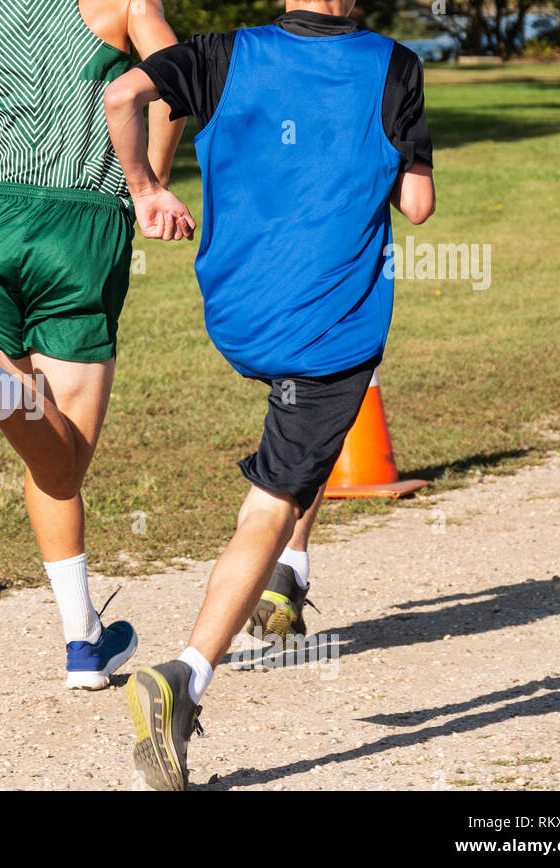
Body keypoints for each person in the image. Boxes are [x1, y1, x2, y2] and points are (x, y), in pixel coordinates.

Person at [102, 0, 436, 788]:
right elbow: (417, 206)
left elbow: (121, 96)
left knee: (306, 433)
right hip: (329, 327)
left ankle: (288, 576)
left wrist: (145, 187)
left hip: (237, 313)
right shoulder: (393, 65)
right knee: (277, 491)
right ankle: (184, 676)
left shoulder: (221, 52)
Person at [0, 0, 184, 689]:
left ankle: (85, 641)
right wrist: (147, 183)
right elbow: (179, 86)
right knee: (66, 458)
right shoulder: (126, 3)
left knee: (41, 436)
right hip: (79, 226)